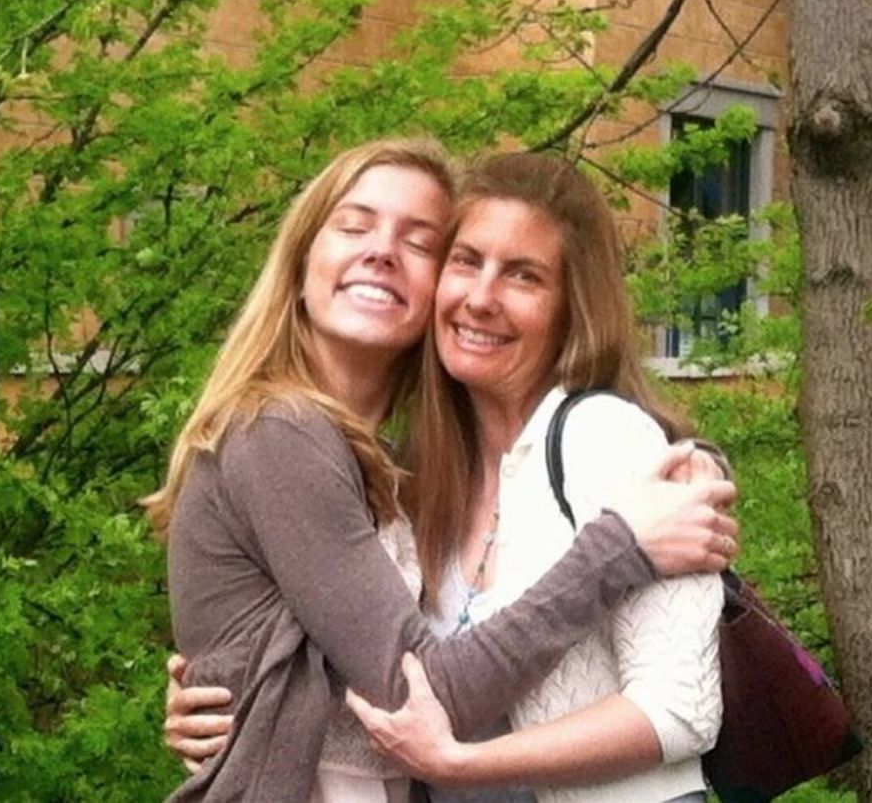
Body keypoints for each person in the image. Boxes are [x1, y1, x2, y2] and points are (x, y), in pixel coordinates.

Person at [149, 139, 738, 802]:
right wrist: (619, 549)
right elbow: (422, 693)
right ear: (299, 259)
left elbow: (681, 708)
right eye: (354, 226)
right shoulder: (285, 436)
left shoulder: (406, 475)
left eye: (420, 242)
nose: (382, 251)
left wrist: (252, 683)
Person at [343, 151, 725, 802]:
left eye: (524, 276)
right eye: (467, 262)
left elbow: (680, 711)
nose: (481, 298)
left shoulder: (605, 438)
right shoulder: (415, 477)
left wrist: (460, 764)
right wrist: (224, 693)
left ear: (574, 308)